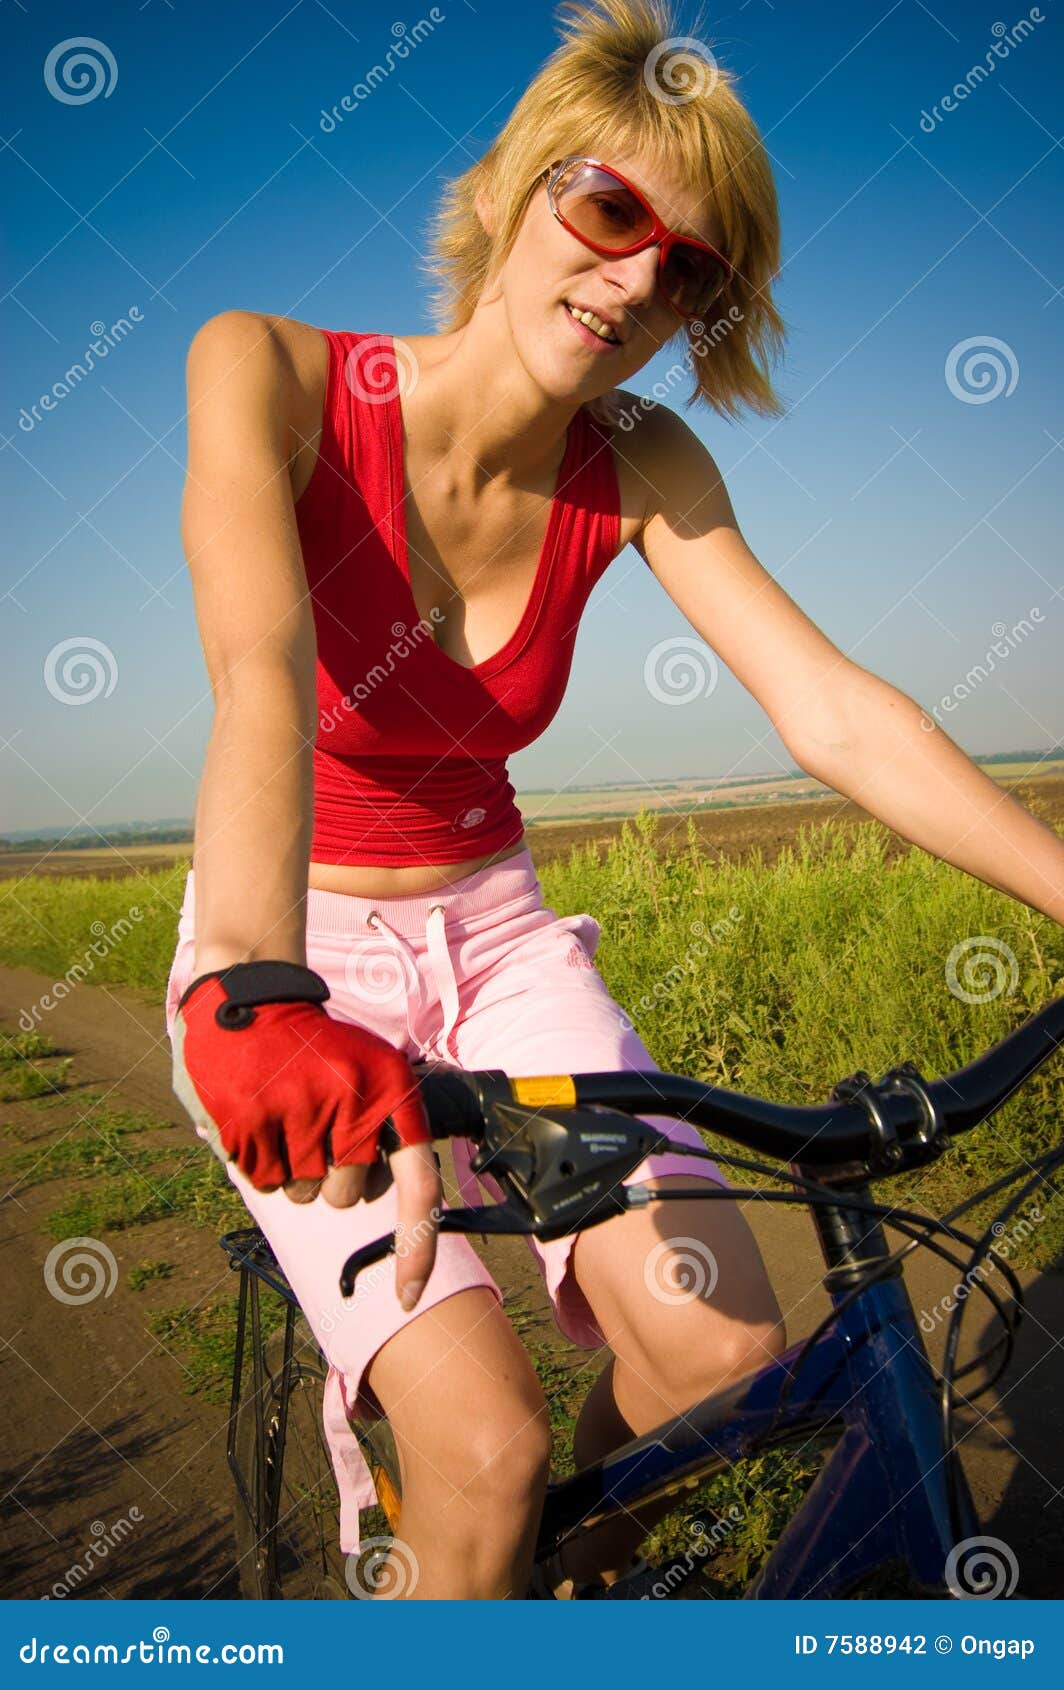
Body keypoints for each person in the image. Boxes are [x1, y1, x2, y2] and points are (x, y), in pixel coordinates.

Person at [164, 0, 1064, 1601]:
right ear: (516, 186)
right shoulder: (271, 372)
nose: (641, 277)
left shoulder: (643, 459)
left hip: (503, 941)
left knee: (726, 1359)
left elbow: (835, 713)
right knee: (485, 1451)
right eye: (611, 208)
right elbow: (259, 677)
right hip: (305, 949)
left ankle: (562, 1586)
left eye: (692, 268)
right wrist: (252, 989)